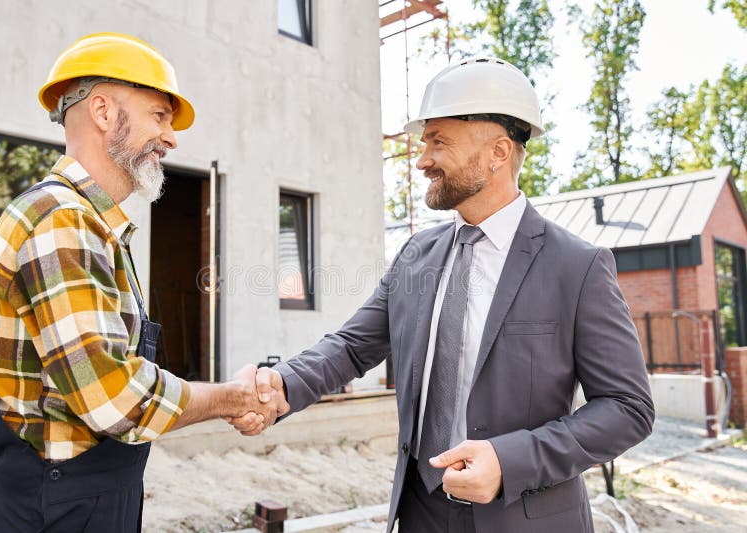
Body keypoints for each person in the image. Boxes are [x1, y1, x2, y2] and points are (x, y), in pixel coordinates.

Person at [230, 57, 654, 532]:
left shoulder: (577, 266)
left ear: (497, 152)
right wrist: (282, 385)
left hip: (526, 519)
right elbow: (352, 347)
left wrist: (509, 460)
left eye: (438, 142)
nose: (422, 159)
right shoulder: (417, 254)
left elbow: (627, 408)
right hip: (421, 512)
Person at [0, 32, 287, 533]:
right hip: (59, 512)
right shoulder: (61, 222)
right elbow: (112, 398)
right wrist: (230, 397)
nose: (173, 137)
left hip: (77, 501)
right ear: (102, 111)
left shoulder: (92, 226)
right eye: (160, 115)